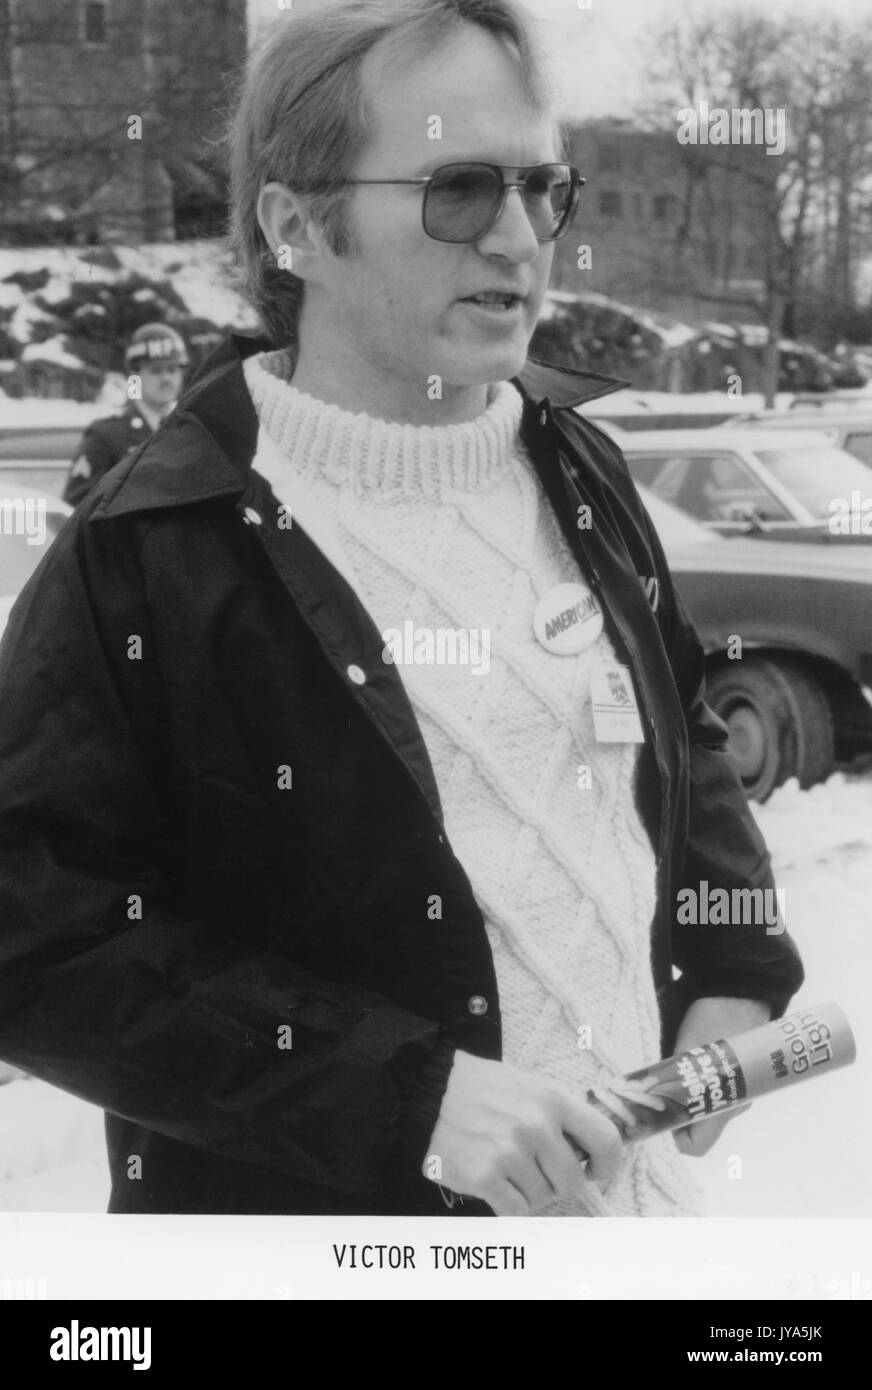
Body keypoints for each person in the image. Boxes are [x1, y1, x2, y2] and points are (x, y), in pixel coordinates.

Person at [0, 0, 802, 1218]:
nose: (520, 236)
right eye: (459, 190)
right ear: (295, 225)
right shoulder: (151, 546)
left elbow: (677, 729)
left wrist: (732, 960)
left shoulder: (577, 469)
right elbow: (35, 939)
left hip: (626, 1237)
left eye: (544, 188)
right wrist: (403, 1095)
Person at [62, 323, 188, 507]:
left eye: (172, 369)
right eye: (156, 370)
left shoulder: (190, 429)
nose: (166, 378)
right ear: (134, 377)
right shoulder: (106, 435)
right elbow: (77, 510)